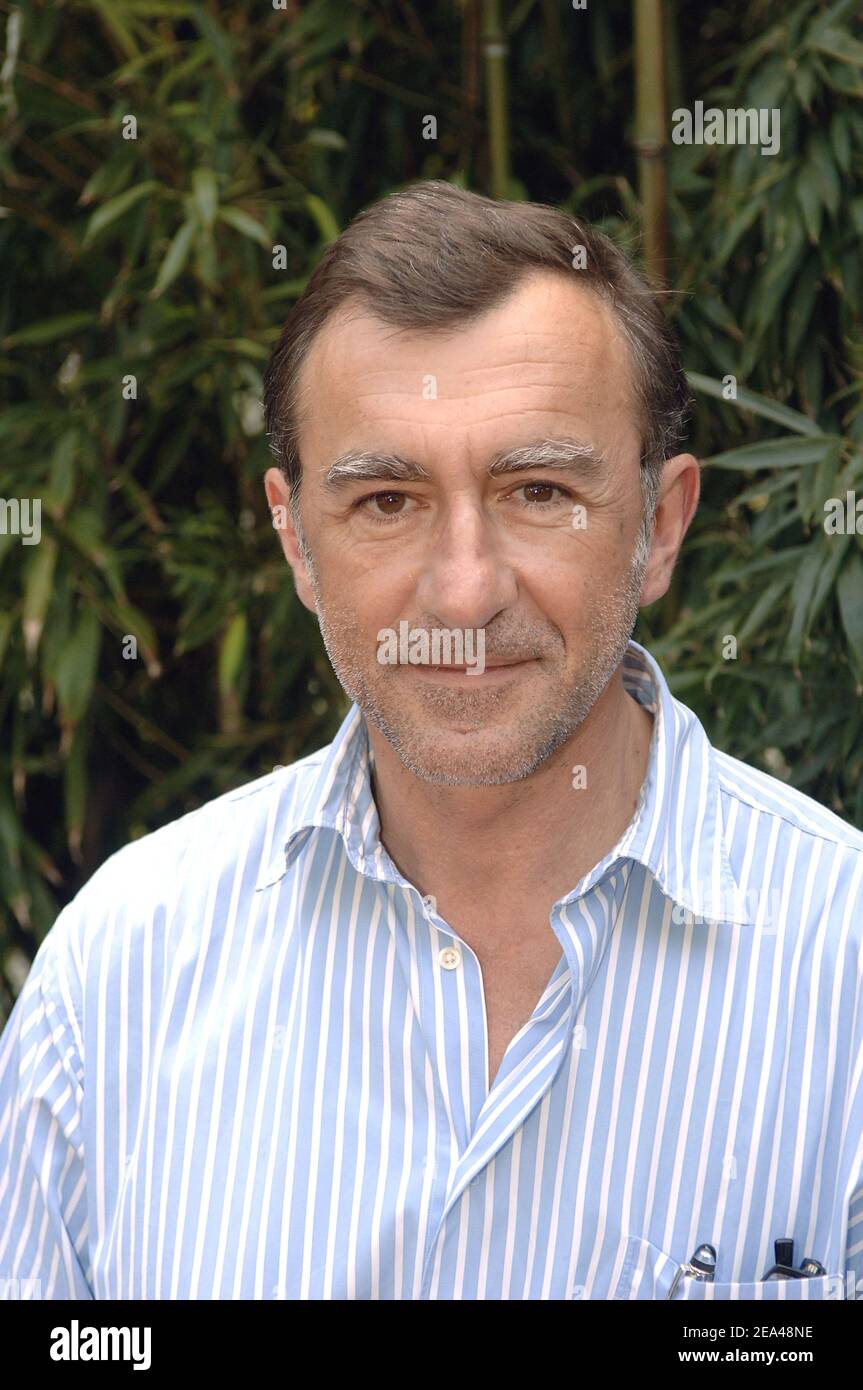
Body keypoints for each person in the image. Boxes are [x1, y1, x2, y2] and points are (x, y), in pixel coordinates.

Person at [1, 182, 861, 1301]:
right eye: (388, 501)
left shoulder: (839, 971)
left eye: (537, 489)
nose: (461, 595)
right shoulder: (118, 977)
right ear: (295, 540)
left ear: (658, 525)